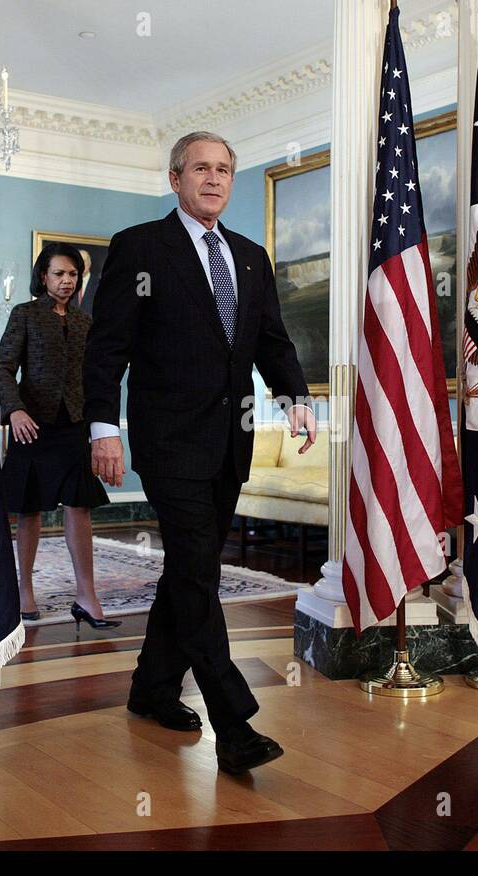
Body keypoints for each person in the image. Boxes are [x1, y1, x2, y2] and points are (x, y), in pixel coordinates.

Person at [85, 131, 315, 775]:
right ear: (175, 178)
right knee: (194, 566)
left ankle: (152, 689)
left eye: (224, 170)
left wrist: (296, 397)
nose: (213, 179)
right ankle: (233, 722)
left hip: (230, 441)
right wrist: (105, 427)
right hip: (167, 442)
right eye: (200, 169)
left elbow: (271, 340)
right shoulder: (140, 247)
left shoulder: (249, 256)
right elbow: (107, 348)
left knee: (192, 572)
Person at [0, 243, 119, 633]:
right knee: (29, 509)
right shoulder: (24, 315)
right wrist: (14, 410)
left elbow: (98, 377)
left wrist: (101, 427)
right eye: (58, 274)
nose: (66, 281)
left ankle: (86, 596)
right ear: (43, 277)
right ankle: (24, 591)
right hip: (32, 426)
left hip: (75, 426)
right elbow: (2, 368)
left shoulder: (86, 323)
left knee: (79, 506)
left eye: (72, 275)